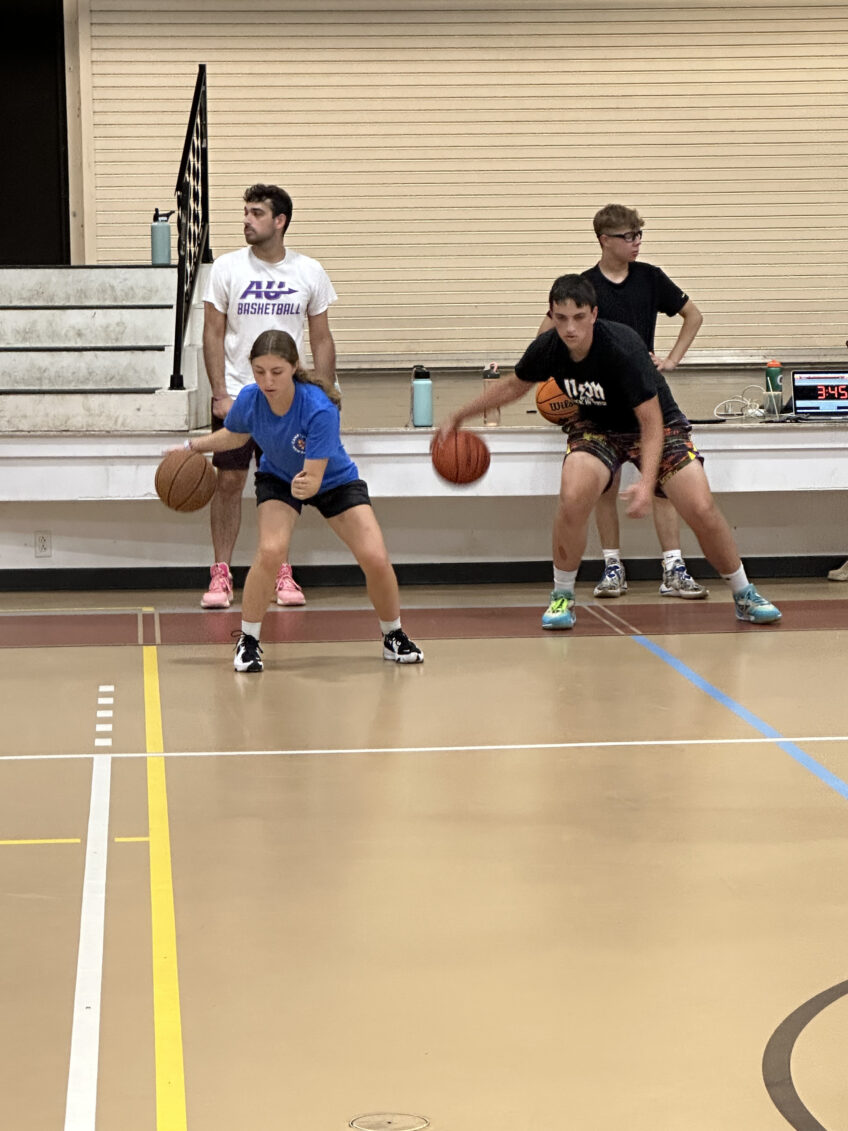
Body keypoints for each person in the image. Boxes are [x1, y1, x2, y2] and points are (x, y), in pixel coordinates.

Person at [440, 274, 781, 630]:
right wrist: (459, 415)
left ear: (594, 314)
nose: (570, 328)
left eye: (579, 317)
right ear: (551, 315)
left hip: (657, 424)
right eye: (561, 318)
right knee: (572, 497)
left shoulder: (621, 346)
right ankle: (562, 596)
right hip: (598, 428)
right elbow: (514, 386)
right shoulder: (548, 347)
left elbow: (650, 424)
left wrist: (647, 485)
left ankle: (744, 593)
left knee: (700, 506)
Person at [182, 329, 423, 671]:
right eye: (259, 371)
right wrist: (193, 448)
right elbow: (235, 434)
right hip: (280, 477)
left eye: (276, 372)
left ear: (294, 367)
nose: (267, 380)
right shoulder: (251, 399)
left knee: (375, 557)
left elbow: (312, 480)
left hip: (331, 480)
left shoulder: (318, 408)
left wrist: (306, 488)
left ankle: (393, 635)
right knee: (270, 551)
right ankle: (248, 640)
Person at [537, 204, 706, 600]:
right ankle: (613, 566)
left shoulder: (650, 277)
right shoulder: (583, 287)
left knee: (663, 480)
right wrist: (563, 375)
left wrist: (671, 359)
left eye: (639, 235)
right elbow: (545, 336)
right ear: (604, 240)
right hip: (599, 403)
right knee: (604, 485)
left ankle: (673, 567)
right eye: (628, 236)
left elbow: (693, 316)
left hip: (643, 393)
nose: (637, 242)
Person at [200, 183, 338, 610]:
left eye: (256, 213)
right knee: (229, 482)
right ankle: (221, 575)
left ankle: (282, 570)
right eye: (245, 212)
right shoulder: (225, 268)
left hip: (289, 400)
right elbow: (213, 332)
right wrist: (220, 392)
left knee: (285, 485)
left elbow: (321, 337)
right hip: (242, 395)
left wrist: (325, 393)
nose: (246, 220)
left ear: (280, 221)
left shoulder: (309, 271)